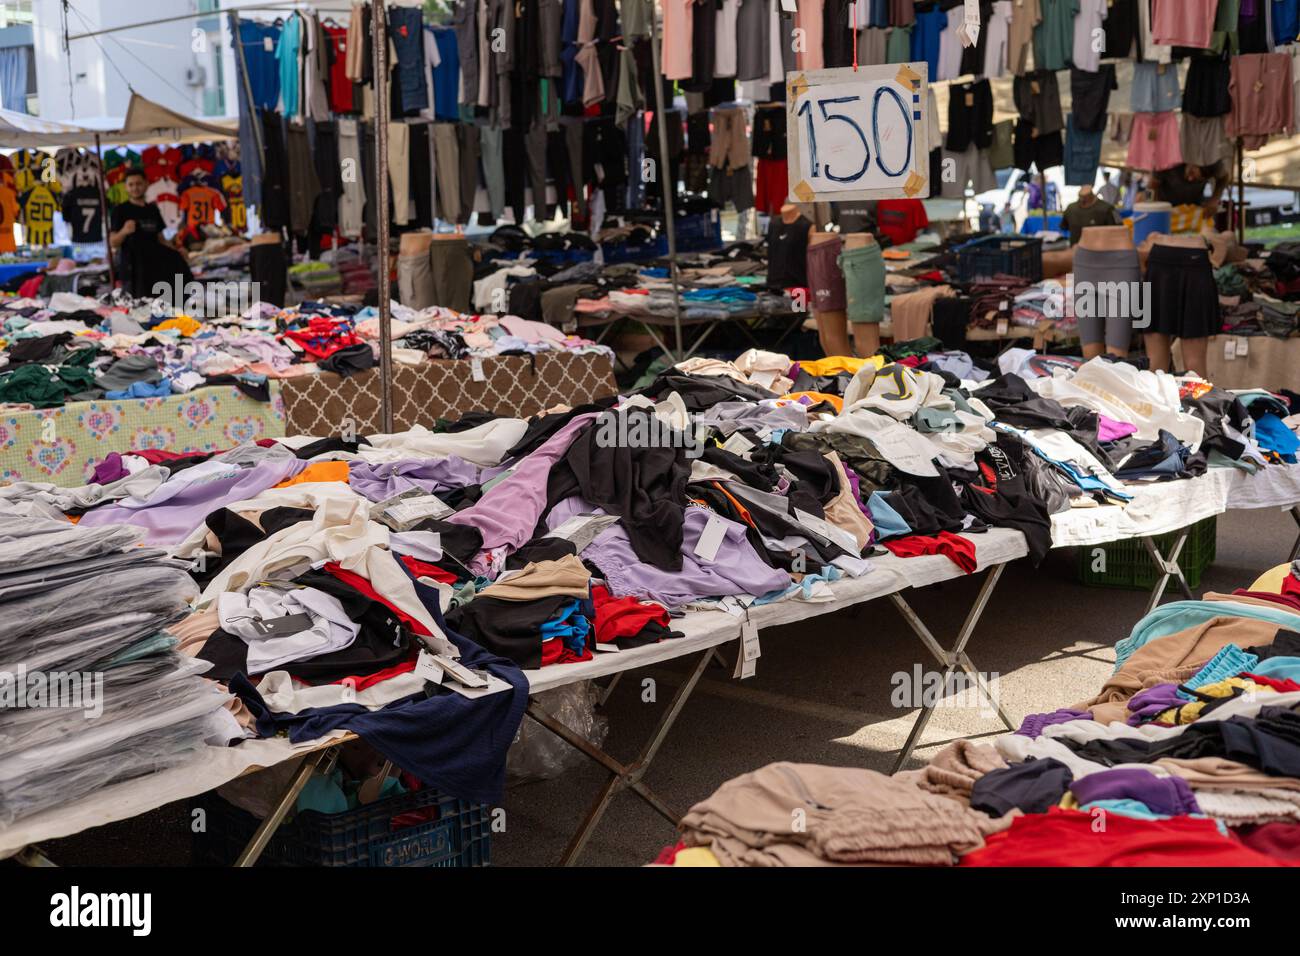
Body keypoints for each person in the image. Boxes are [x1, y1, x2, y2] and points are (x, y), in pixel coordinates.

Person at [108, 168, 192, 298]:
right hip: (133, 269)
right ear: (126, 187)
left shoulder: (152, 209)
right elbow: (113, 242)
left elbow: (161, 239)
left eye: (138, 183)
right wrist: (124, 231)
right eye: (131, 184)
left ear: (146, 184)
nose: (135, 188)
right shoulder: (120, 210)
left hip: (154, 267)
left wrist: (178, 250)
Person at [1152, 160, 1230, 214]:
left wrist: (1214, 200)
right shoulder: (1170, 160)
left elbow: (1224, 177)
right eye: (1191, 172)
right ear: (1191, 161)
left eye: (1196, 180)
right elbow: (1152, 185)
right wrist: (1150, 201)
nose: (1190, 179)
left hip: (1193, 210)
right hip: (1166, 209)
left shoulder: (1214, 163)